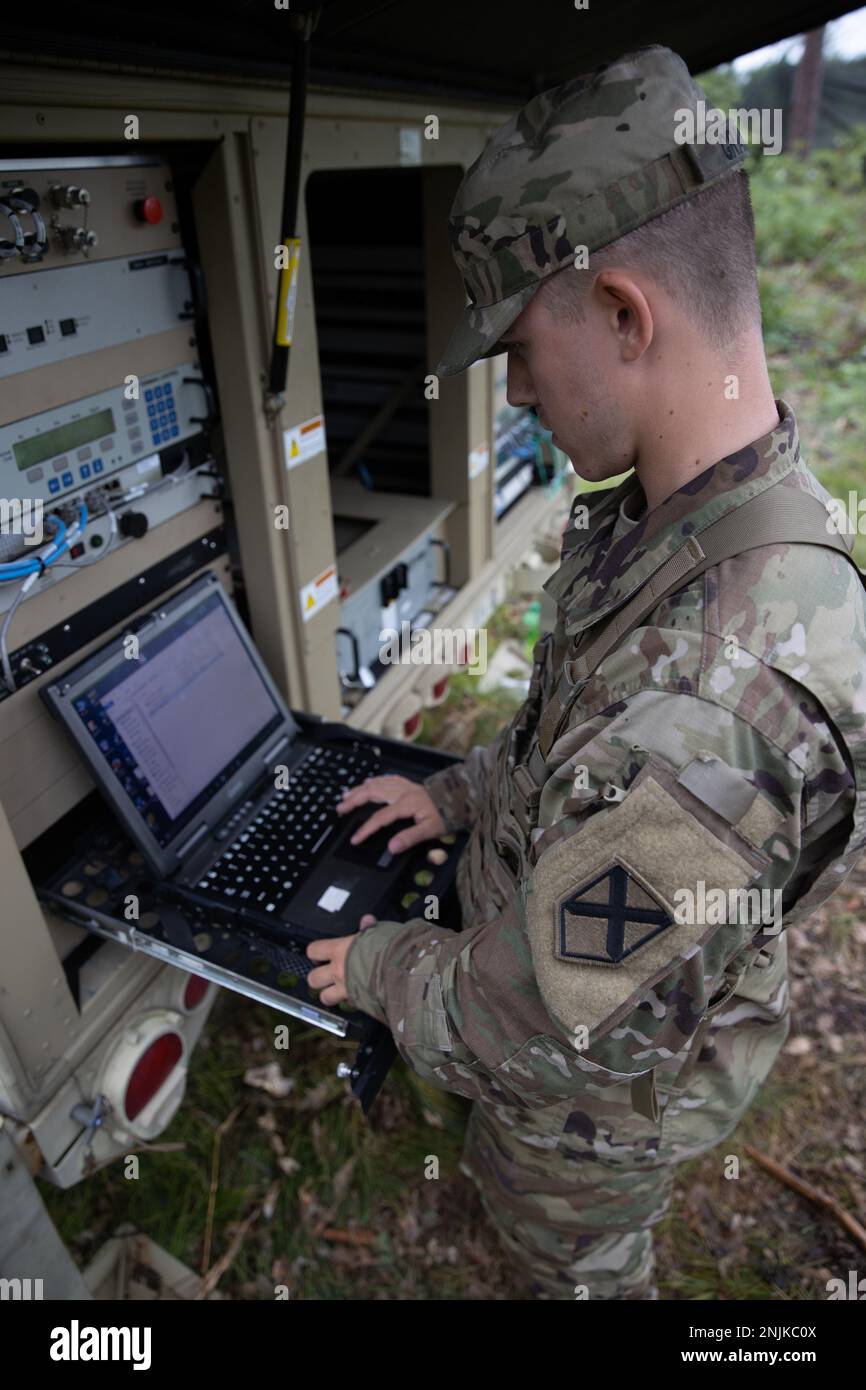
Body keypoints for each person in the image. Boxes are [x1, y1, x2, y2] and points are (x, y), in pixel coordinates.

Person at [306, 44, 866, 1299]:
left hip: (588, 1120)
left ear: (623, 314)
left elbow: (549, 1019)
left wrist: (381, 969)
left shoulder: (712, 714)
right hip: (568, 982)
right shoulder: (689, 514)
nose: (513, 392)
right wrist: (455, 797)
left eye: (516, 346)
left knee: (573, 1267)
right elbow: (572, 728)